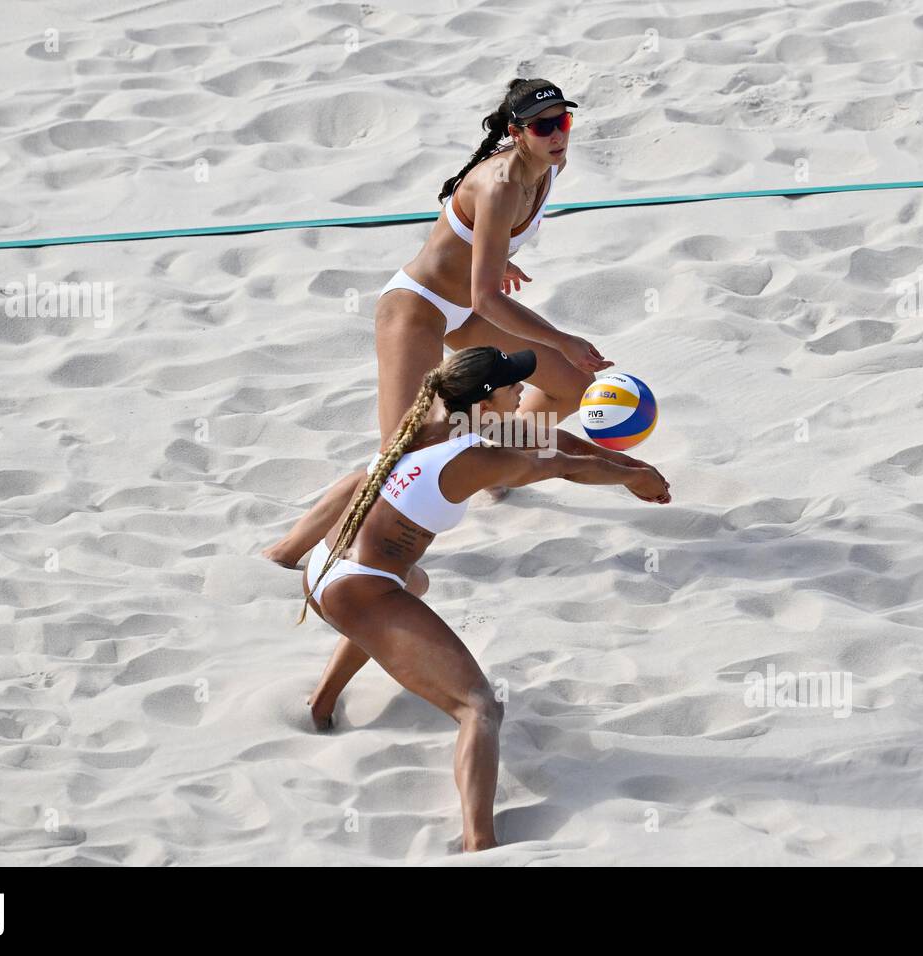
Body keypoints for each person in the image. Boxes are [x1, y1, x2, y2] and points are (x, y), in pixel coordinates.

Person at [296, 346, 671, 851]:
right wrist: (633, 478)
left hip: (324, 571)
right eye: (515, 384)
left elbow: (549, 442)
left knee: (414, 584)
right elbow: (560, 466)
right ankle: (481, 845)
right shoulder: (471, 458)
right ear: (488, 400)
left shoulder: (429, 421)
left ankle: (320, 704)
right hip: (357, 591)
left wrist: (626, 462)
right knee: (480, 709)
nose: (524, 391)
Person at [264, 77, 609, 568]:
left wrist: (493, 254)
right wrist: (562, 338)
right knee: (403, 451)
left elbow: (469, 245)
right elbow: (487, 298)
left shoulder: (550, 166)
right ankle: (286, 551)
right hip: (419, 308)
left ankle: (497, 465)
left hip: (464, 309)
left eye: (564, 121)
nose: (558, 134)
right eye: (543, 126)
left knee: (573, 383)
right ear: (516, 131)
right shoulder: (501, 183)